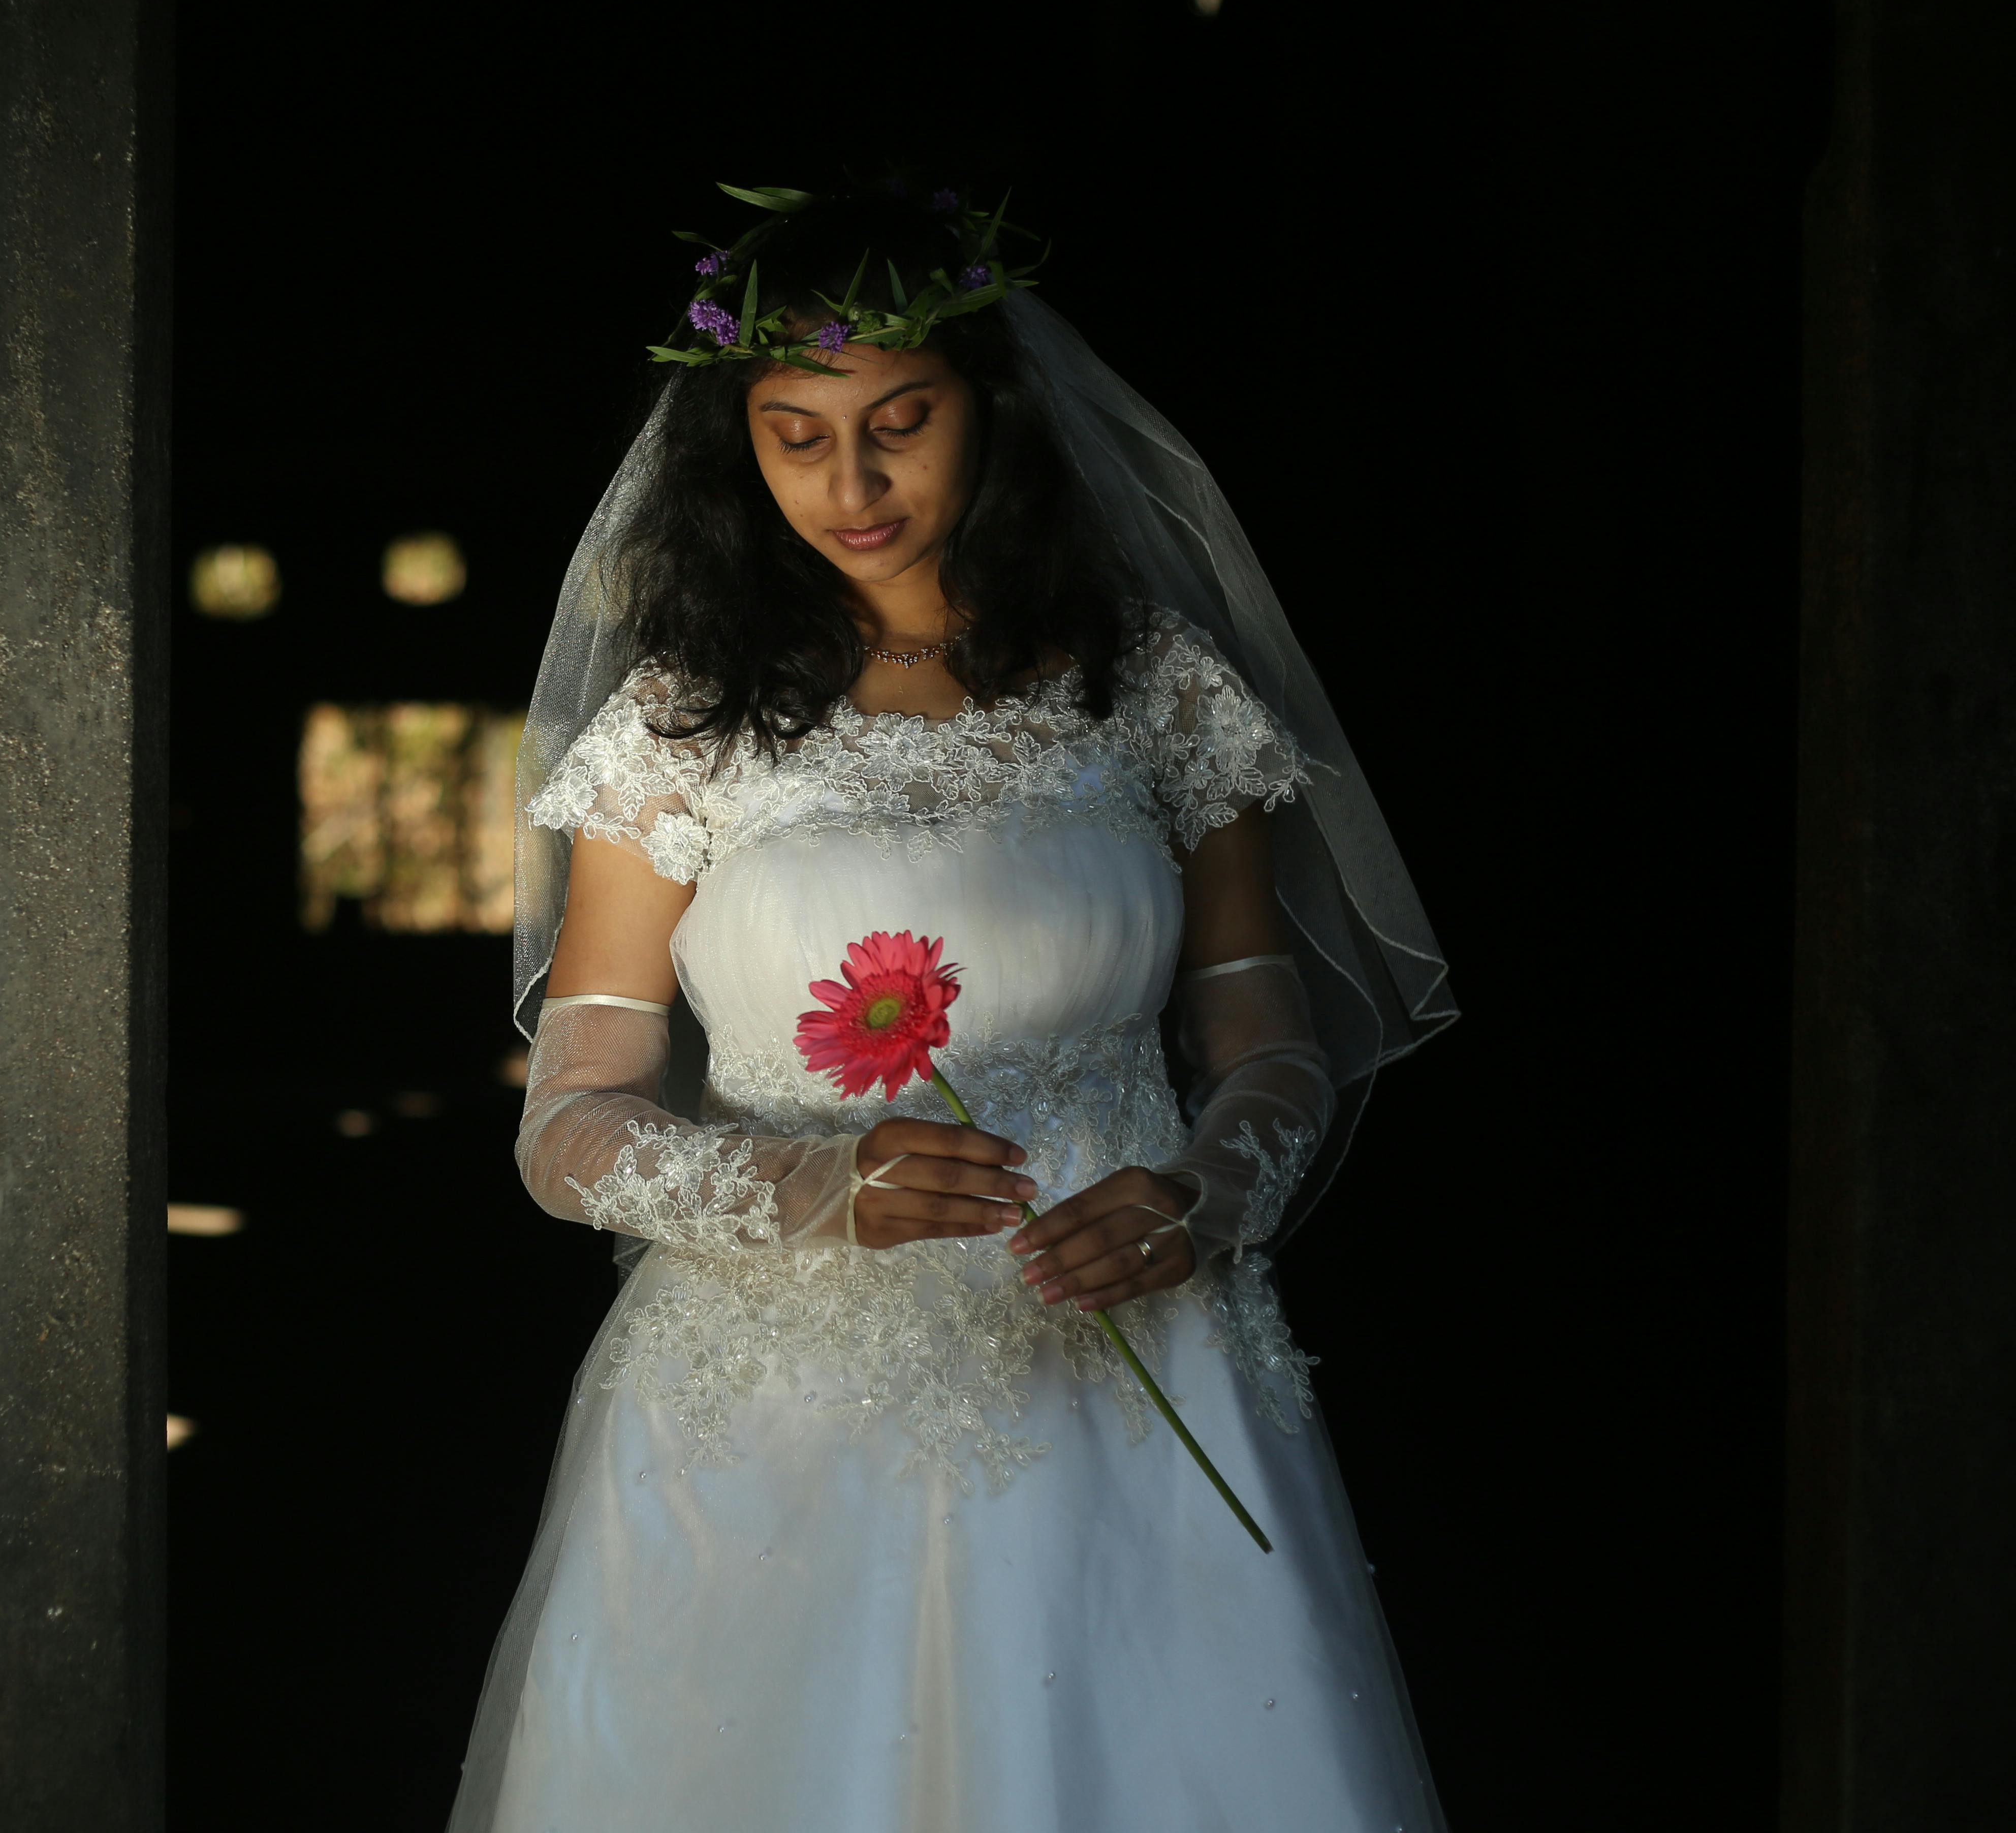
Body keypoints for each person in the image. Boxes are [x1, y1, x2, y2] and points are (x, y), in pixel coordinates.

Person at [448, 185, 1457, 1832]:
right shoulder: (679, 728)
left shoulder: (1153, 687)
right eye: (794, 437)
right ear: (737, 449)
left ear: (991, 408)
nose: (851, 487)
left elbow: (1265, 1042)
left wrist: (1206, 1198)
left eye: (900, 425)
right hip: (770, 1411)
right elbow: (569, 1117)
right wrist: (806, 1184)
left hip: (1133, 1360)